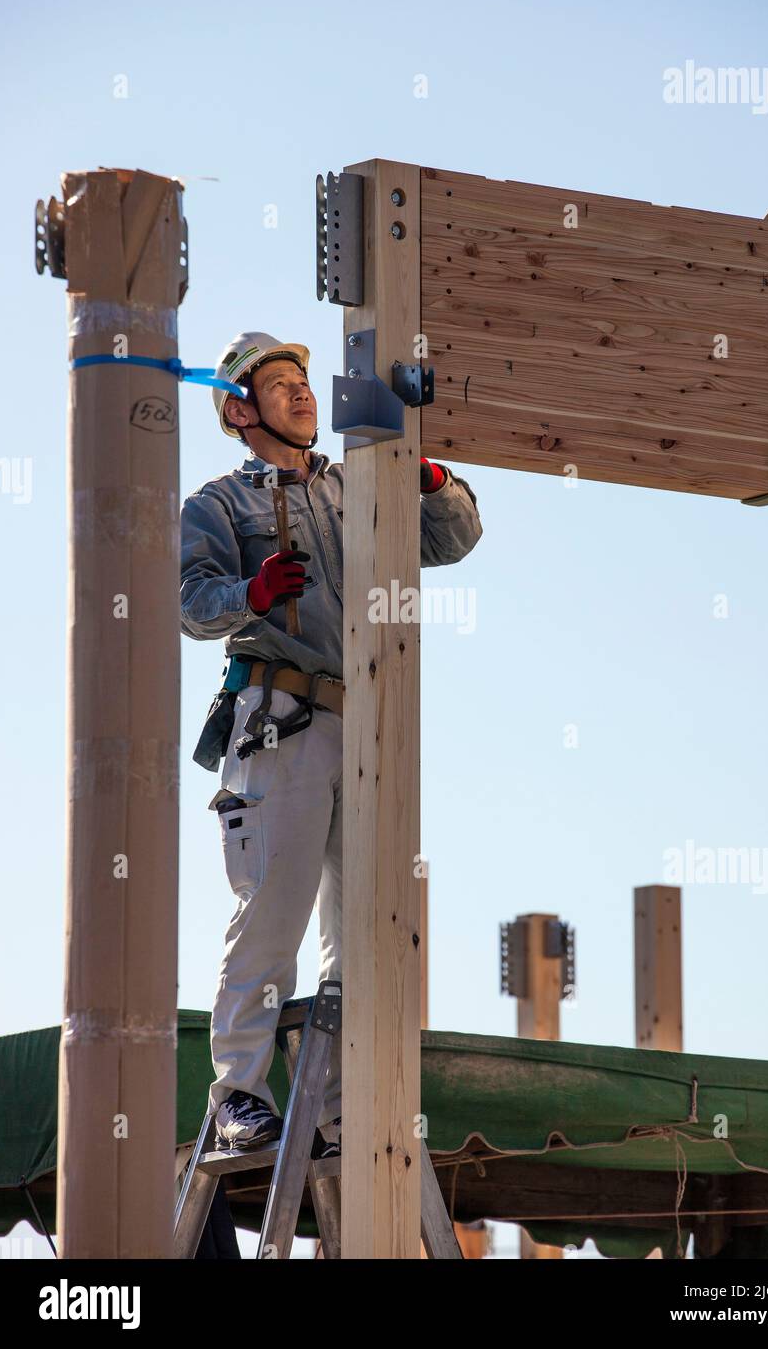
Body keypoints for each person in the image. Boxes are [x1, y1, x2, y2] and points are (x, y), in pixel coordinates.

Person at [180, 331, 483, 1153]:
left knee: (367, 932)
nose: (300, 393)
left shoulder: (363, 484)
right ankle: (238, 1095)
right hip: (284, 724)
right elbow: (191, 605)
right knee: (271, 918)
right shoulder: (220, 504)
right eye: (277, 385)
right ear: (239, 412)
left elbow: (453, 538)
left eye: (302, 381)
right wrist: (249, 591)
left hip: (368, 728)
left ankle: (344, 1105)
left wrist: (428, 476)